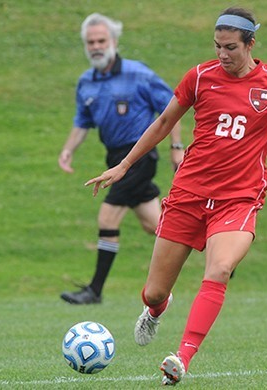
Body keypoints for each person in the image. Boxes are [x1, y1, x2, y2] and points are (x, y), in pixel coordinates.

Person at [85, 7, 267, 385]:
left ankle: (182, 357)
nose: (223, 54)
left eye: (231, 47)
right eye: (217, 46)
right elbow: (164, 122)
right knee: (155, 292)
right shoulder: (200, 76)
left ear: (251, 44)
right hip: (188, 194)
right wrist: (123, 166)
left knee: (219, 269)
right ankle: (156, 311)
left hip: (239, 199)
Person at [58, 13, 184, 305]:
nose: (96, 47)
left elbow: (172, 106)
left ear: (113, 42)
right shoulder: (86, 82)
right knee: (157, 226)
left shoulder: (138, 74)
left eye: (101, 40)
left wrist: (176, 145)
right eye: (90, 42)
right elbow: (82, 121)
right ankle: (218, 254)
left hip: (138, 155)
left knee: (108, 216)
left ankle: (95, 290)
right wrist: (68, 149)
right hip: (114, 156)